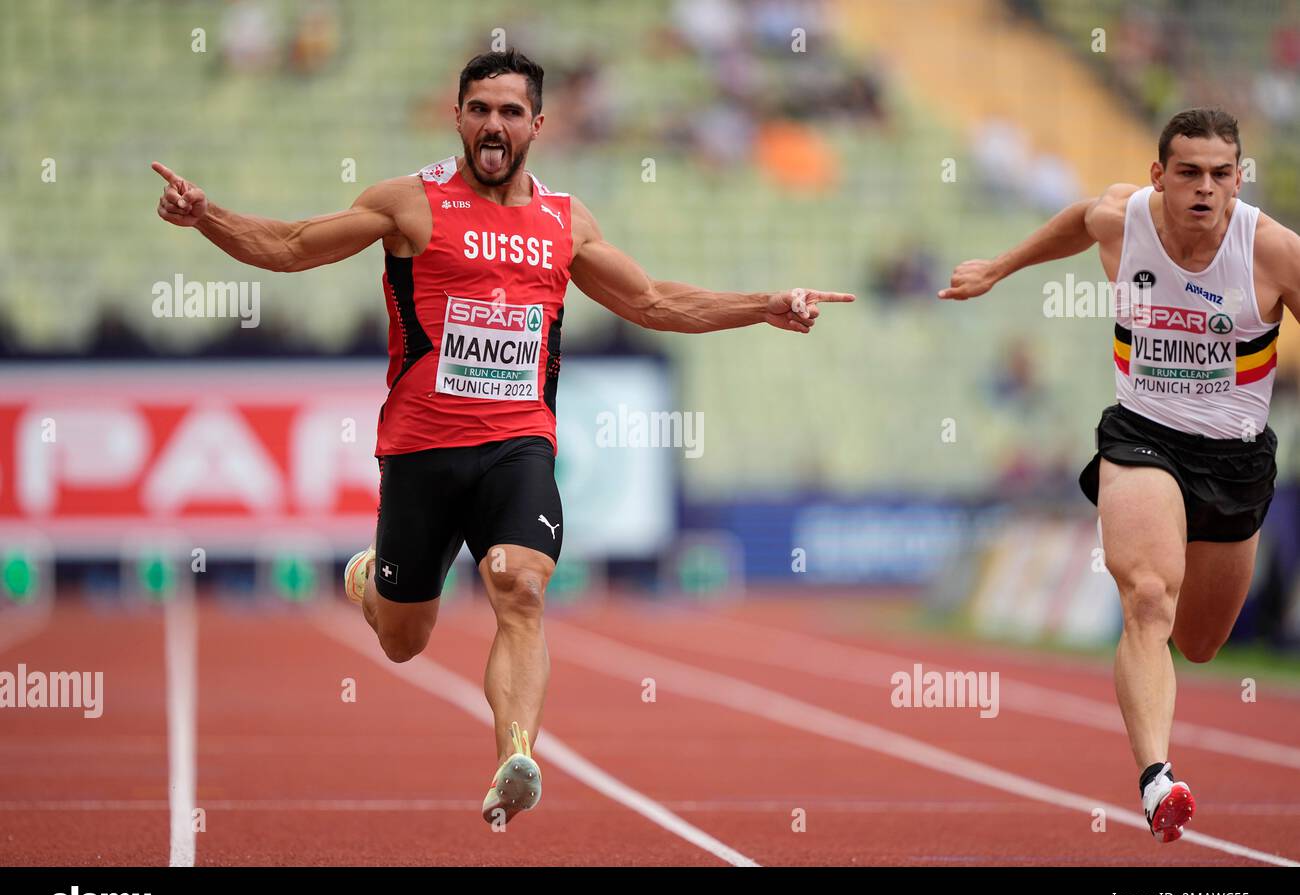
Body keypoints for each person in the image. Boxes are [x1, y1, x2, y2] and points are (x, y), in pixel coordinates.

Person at [152, 48, 854, 828]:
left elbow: (653, 301)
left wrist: (763, 304)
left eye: (511, 111)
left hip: (519, 445)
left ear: (538, 126)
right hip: (421, 450)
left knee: (520, 586)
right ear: (456, 117)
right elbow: (288, 246)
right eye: (480, 108)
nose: (494, 124)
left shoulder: (565, 221)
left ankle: (514, 755)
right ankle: (371, 587)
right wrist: (206, 217)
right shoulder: (408, 205)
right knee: (403, 641)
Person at [939, 107, 1295, 842]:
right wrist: (997, 269)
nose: (1204, 189)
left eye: (1220, 175)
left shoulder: (1273, 253)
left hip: (1236, 457)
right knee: (1147, 597)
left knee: (1199, 643)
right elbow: (1076, 219)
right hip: (1142, 437)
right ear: (1158, 176)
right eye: (1188, 173)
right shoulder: (1123, 218)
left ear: (1238, 179)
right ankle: (1157, 779)